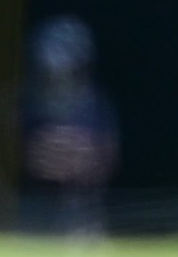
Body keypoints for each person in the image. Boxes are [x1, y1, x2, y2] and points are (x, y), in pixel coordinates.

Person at [21, 17, 119, 240]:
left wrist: (70, 152)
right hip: (32, 208)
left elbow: (107, 159)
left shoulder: (95, 103)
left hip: (82, 211)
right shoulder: (26, 103)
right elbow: (26, 160)